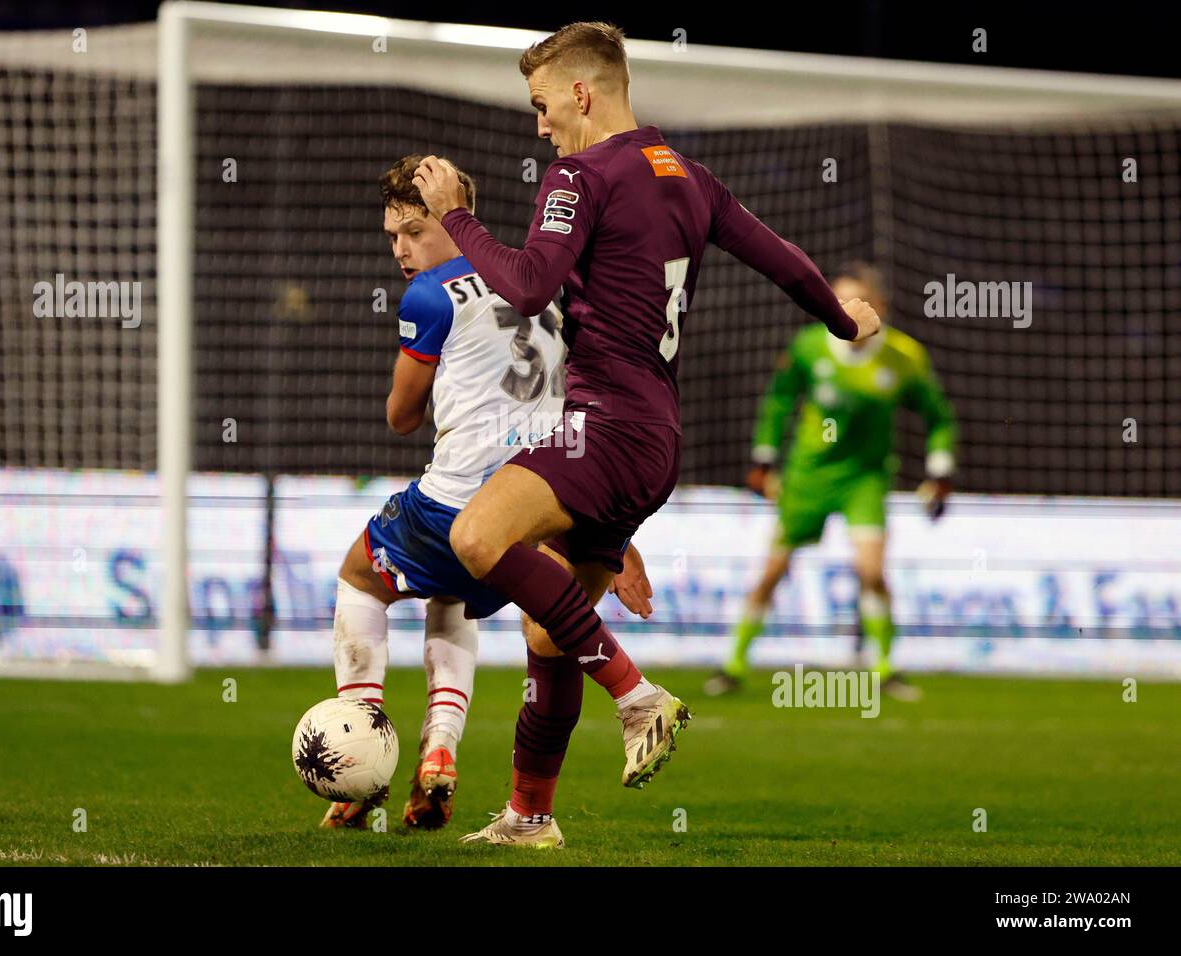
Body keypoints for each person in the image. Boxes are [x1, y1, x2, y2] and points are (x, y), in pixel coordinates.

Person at [411, 22, 880, 847]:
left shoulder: (579, 175)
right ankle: (529, 816)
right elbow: (783, 261)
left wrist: (456, 222)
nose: (541, 124)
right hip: (656, 438)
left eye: (543, 104)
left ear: (584, 94)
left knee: (476, 535)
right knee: (546, 628)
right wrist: (844, 319)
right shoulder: (690, 178)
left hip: (606, 426)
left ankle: (635, 694)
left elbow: (526, 286)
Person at [324, 153, 652, 831]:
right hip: (538, 504)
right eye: (392, 236)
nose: (402, 250)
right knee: (458, 603)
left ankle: (359, 753)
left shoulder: (427, 297)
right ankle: (447, 757)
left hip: (454, 505)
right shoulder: (541, 284)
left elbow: (401, 416)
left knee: (359, 577)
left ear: (452, 212)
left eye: (413, 230)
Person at [705, 262, 956, 701]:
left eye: (853, 299)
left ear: (878, 307)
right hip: (809, 476)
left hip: (866, 477)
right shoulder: (808, 348)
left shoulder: (904, 357)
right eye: (835, 299)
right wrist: (763, 460)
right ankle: (733, 666)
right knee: (771, 573)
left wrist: (939, 470)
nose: (841, 308)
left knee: (872, 572)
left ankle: (884, 669)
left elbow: (938, 417)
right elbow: (780, 401)